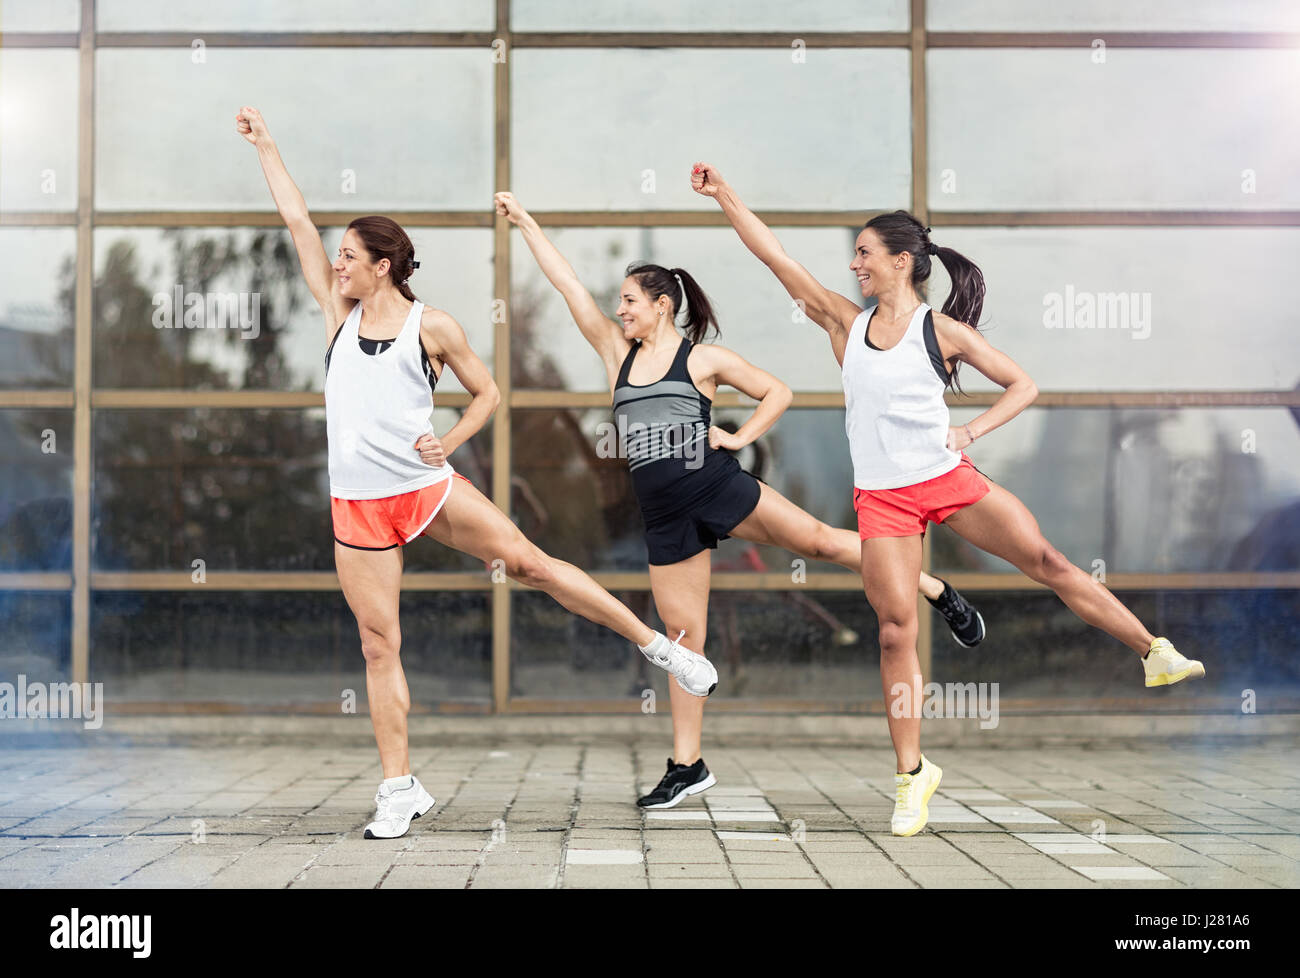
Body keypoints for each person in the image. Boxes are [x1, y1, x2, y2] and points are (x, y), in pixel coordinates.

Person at [234, 105, 719, 840]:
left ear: (382, 265)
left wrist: (450, 438)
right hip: (358, 506)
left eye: (348, 257)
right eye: (336, 258)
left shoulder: (434, 327)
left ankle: (659, 649)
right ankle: (399, 786)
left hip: (426, 490)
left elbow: (488, 393)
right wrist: (268, 144)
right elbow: (297, 223)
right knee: (377, 642)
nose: (335, 264)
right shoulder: (336, 313)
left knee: (530, 563)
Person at [692, 161, 1206, 836]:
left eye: (865, 255)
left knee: (1047, 561)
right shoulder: (845, 327)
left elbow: (1022, 385)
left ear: (903, 262)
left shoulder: (942, 332)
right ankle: (912, 777)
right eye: (854, 256)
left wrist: (971, 429)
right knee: (894, 629)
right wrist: (726, 193)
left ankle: (1151, 651)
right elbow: (774, 256)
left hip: (947, 479)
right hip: (883, 500)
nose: (855, 267)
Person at [495, 190, 988, 811]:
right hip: (664, 513)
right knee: (682, 639)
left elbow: (776, 392)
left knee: (821, 542)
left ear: (661, 305)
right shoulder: (614, 354)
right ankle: (687, 764)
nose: (617, 310)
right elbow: (566, 285)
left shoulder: (701, 358)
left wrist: (738, 436)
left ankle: (934, 587)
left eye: (628, 301)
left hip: (717, 485)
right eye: (618, 301)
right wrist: (530, 225)